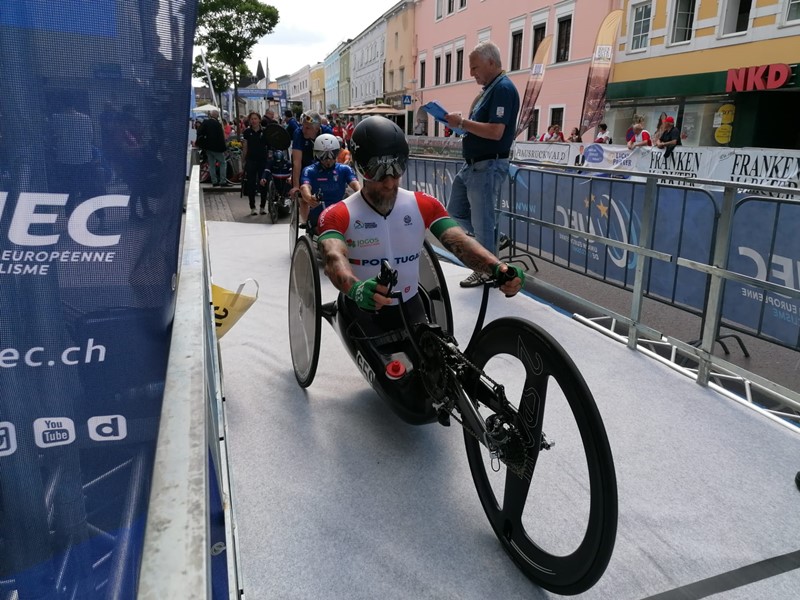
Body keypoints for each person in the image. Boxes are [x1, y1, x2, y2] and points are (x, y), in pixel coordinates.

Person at [316, 116, 524, 334]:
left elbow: (459, 241)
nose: (389, 181)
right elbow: (333, 258)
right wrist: (355, 288)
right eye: (376, 170)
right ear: (359, 166)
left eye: (398, 167)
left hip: (410, 304)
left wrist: (498, 268)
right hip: (360, 309)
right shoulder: (337, 214)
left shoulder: (424, 204)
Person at [443, 40, 520, 287]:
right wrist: (463, 125)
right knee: (455, 211)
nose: (471, 73)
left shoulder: (503, 89)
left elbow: (496, 132)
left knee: (481, 222)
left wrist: (462, 123)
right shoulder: (491, 89)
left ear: (491, 62)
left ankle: (486, 270)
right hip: (474, 165)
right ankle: (494, 241)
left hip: (487, 165)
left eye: (475, 67)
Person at [298, 133, 360, 232]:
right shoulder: (309, 170)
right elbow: (305, 187)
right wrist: (309, 198)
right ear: (317, 154)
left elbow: (356, 185)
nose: (328, 159)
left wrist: (361, 195)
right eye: (323, 155)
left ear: (337, 153)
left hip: (340, 213)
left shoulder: (345, 169)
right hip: (318, 215)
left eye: (332, 154)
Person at [289, 110, 333, 223]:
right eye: (303, 126)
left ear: (317, 128)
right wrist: (296, 186)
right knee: (303, 198)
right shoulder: (299, 133)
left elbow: (333, 157)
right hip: (305, 164)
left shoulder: (327, 132)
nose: (304, 130)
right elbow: (296, 162)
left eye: (308, 128)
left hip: (322, 163)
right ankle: (306, 223)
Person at [242, 111, 271, 215]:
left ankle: (262, 206)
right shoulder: (247, 132)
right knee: (251, 183)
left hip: (262, 160)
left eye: (255, 119)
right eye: (252, 119)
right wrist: (243, 160)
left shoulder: (265, 131)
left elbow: (269, 146)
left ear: (259, 120)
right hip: (251, 160)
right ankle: (252, 207)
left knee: (263, 183)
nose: (254, 121)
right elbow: (245, 147)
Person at [197, 110, 227, 187]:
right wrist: (224, 148)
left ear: (210, 115)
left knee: (211, 164)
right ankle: (223, 181)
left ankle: (214, 181)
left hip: (208, 147)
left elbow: (199, 132)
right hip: (217, 148)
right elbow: (221, 138)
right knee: (223, 163)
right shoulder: (218, 124)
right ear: (217, 116)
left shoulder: (205, 122)